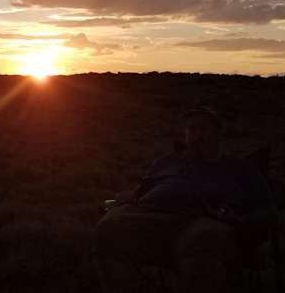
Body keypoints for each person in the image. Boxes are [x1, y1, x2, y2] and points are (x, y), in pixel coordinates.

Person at [96, 107, 272, 293]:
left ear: (219, 133)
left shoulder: (240, 168)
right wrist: (129, 198)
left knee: (204, 242)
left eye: (203, 128)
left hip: (201, 220)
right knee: (108, 226)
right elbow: (143, 190)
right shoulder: (168, 162)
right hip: (153, 218)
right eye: (192, 129)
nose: (197, 135)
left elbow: (265, 205)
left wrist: (242, 221)